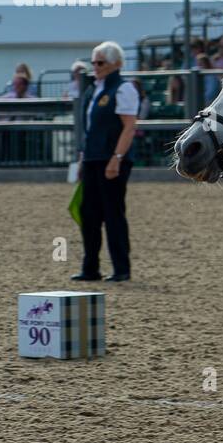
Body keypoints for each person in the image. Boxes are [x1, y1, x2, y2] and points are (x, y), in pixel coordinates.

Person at [74, 41, 138, 283]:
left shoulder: (123, 89)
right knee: (88, 212)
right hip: (92, 157)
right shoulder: (93, 90)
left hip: (112, 159)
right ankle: (90, 267)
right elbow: (89, 129)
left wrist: (117, 157)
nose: (95, 67)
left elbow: (129, 126)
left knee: (113, 213)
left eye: (100, 62)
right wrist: (83, 158)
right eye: (94, 62)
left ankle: (121, 268)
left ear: (116, 64)